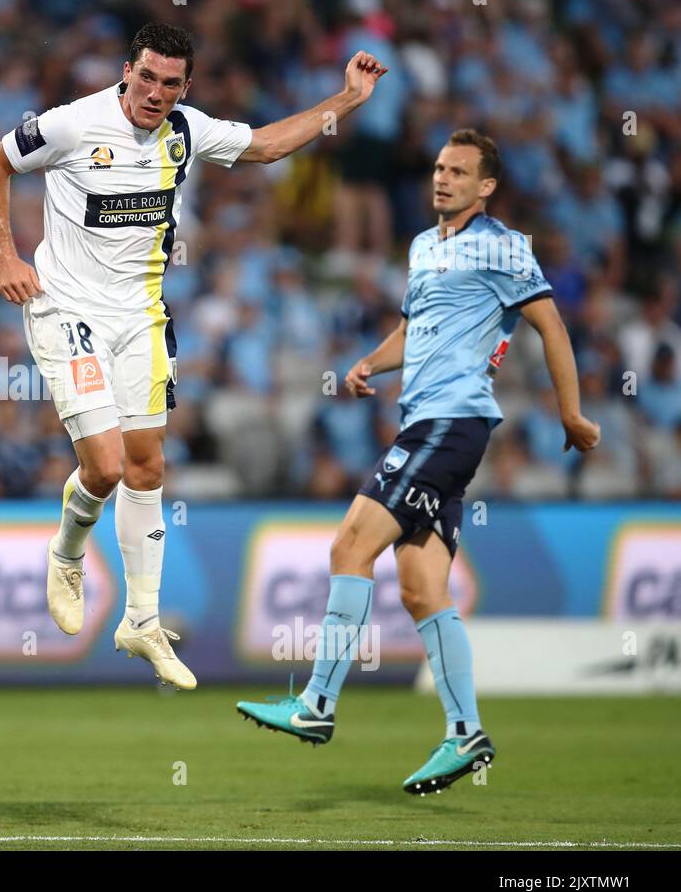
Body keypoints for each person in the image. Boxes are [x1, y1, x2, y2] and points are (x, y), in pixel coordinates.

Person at [0, 21, 387, 689]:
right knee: (103, 468)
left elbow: (268, 146)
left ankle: (141, 620)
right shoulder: (73, 124)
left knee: (146, 463)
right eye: (147, 78)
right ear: (126, 71)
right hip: (67, 310)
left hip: (140, 317)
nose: (156, 92)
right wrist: (3, 254)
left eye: (171, 83)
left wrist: (347, 100)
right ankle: (67, 551)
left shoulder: (186, 130)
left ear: (184, 86)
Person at [236, 129, 601, 793]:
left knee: (350, 545)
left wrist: (569, 413)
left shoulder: (505, 246)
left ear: (486, 186)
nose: (442, 179)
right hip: (431, 425)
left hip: (451, 421)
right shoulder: (422, 247)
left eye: (459, 172)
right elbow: (417, 325)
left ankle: (316, 704)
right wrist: (371, 362)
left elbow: (551, 327)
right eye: (438, 168)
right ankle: (465, 732)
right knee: (420, 589)